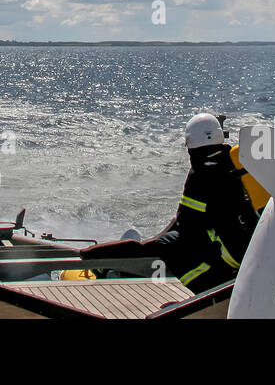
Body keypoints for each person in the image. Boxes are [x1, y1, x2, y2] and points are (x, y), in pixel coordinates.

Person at [81, 113, 259, 292]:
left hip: (230, 254)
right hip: (253, 247)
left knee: (168, 245)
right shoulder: (235, 162)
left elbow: (187, 224)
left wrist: (151, 244)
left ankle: (207, 291)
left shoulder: (200, 174)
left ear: (190, 144)